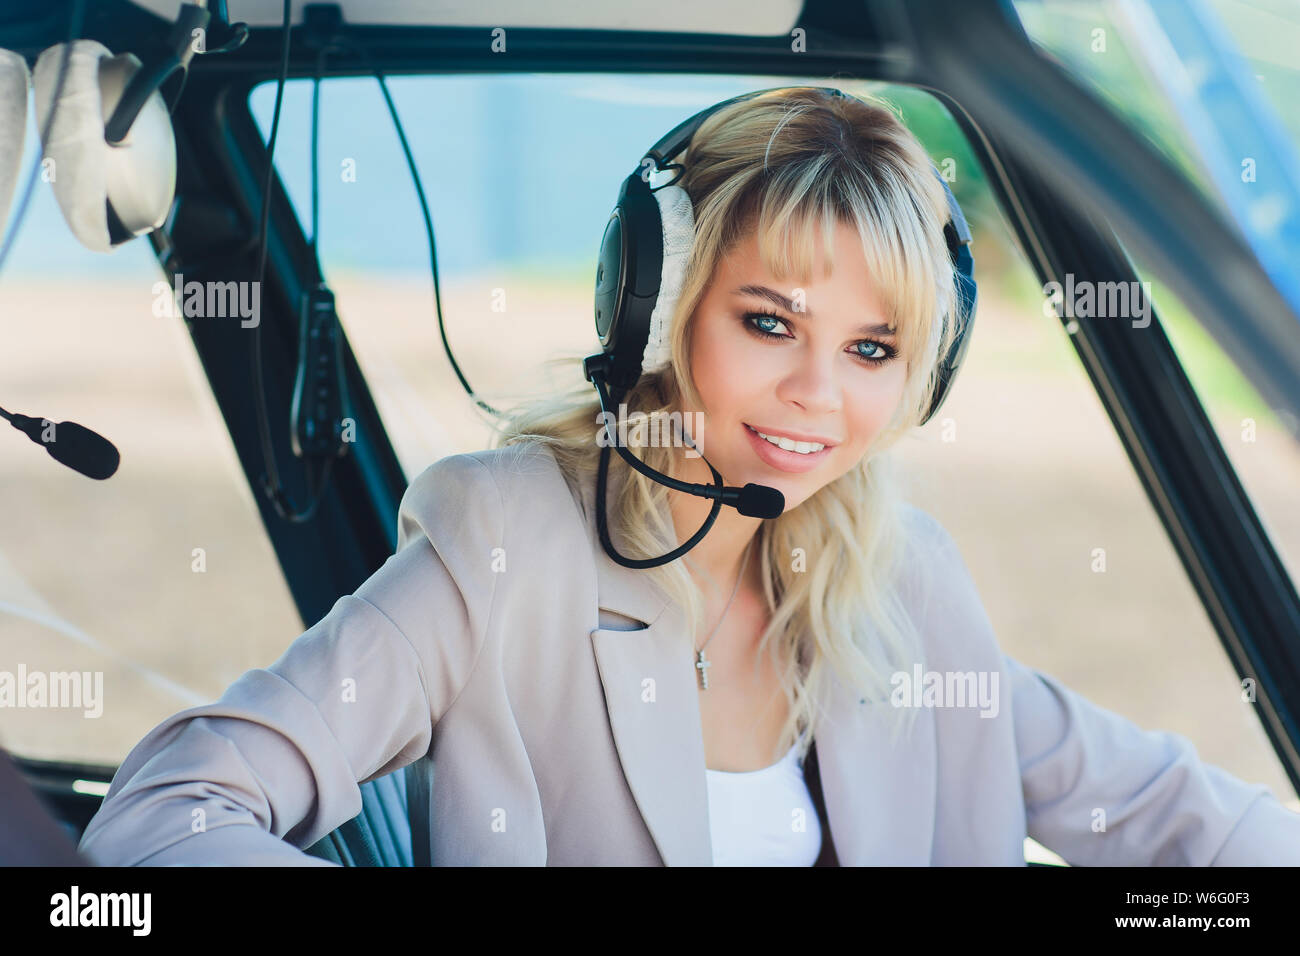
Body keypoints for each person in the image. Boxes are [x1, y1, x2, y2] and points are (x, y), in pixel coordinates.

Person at [78, 88, 1300, 866]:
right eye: (769, 322)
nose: (820, 392)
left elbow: (1165, 815)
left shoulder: (900, 583)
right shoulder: (507, 546)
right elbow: (168, 810)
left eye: (872, 349)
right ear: (653, 314)